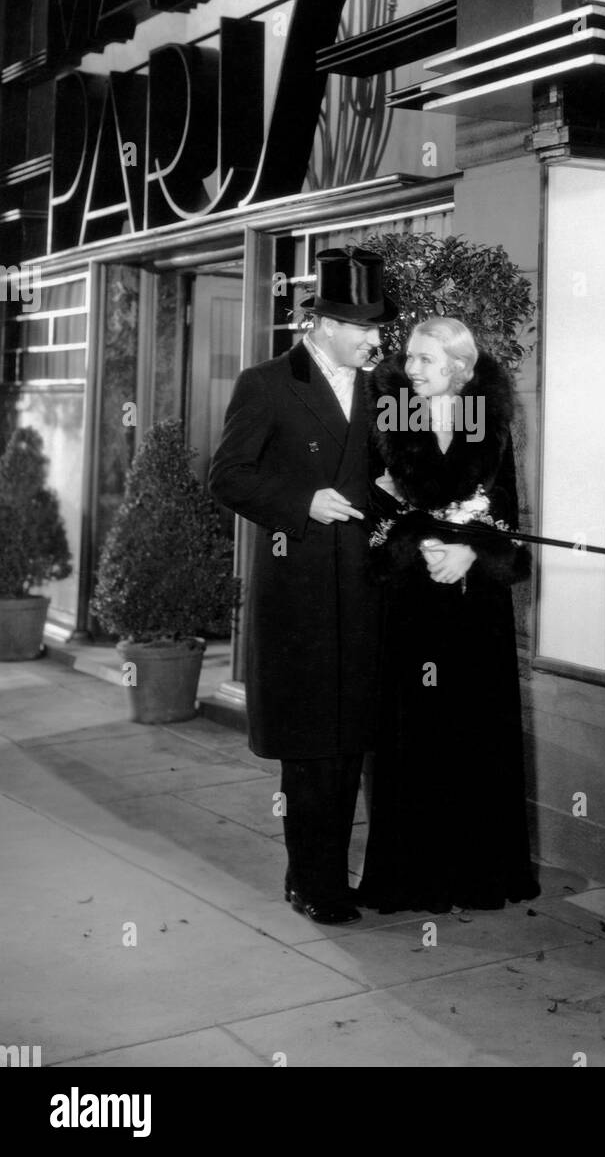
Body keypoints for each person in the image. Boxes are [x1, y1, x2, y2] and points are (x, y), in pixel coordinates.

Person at [209, 248, 398, 926]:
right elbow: (226, 475)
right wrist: (301, 501)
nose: (375, 339)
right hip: (300, 590)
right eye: (361, 327)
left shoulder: (381, 390)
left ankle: (322, 875)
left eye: (378, 326)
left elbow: (386, 476)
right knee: (310, 742)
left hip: (365, 587)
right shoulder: (266, 383)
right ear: (321, 323)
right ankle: (315, 881)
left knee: (350, 738)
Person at [358, 317, 541, 913]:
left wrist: (469, 550)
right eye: (410, 357)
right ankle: (412, 876)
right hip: (411, 597)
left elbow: (506, 507)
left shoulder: (491, 424)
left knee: (473, 726)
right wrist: (416, 546)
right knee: (412, 730)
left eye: (427, 360)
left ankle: (479, 872)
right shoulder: (390, 416)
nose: (412, 369)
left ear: (460, 368)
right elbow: (371, 503)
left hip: (473, 600)